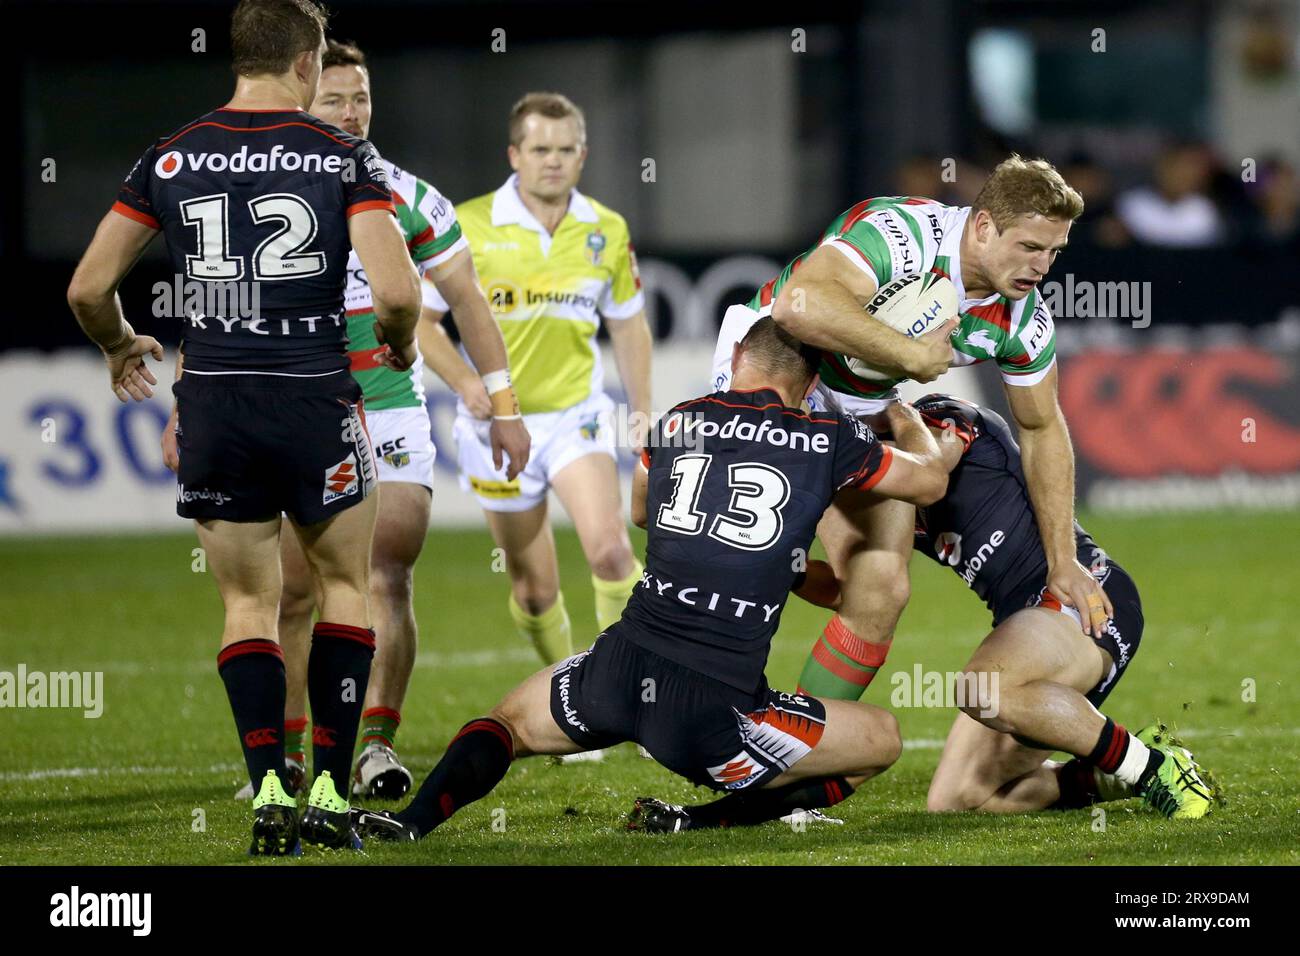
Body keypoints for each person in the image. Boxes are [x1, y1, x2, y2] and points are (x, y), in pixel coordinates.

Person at [67, 0, 442, 853]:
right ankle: (330, 796)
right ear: (307, 63)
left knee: (250, 601)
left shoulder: (168, 154)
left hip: (218, 404)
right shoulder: (342, 154)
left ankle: (268, 784)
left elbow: (88, 289)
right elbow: (395, 294)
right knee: (347, 590)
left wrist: (120, 344)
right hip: (314, 399)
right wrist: (399, 345)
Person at [349, 318, 950, 841]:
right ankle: (702, 821)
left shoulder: (677, 422)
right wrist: (903, 415)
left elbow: (641, 513)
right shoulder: (826, 439)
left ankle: (413, 821)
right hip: (712, 719)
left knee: (506, 724)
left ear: (738, 359)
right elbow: (929, 482)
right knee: (883, 739)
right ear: (812, 383)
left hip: (619, 671)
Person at [167, 39, 530, 803]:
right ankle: (290, 754)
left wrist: (504, 404)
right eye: (334, 99)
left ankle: (372, 747)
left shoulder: (411, 195)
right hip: (299, 408)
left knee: (384, 573)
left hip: (390, 410)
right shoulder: (260, 189)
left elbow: (466, 302)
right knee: (294, 591)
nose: (352, 111)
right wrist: (184, 400)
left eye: (361, 96)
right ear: (302, 99)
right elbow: (214, 304)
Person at [710, 155, 1112, 716]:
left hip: (863, 407)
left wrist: (1062, 559)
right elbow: (798, 307)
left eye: (1054, 251)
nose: (1042, 266)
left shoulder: (1021, 319)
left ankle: (790, 753)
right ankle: (683, 696)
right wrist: (910, 354)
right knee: (731, 556)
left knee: (876, 591)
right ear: (983, 225)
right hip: (773, 371)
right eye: (1028, 247)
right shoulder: (901, 234)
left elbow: (1043, 427)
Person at [789, 394, 1217, 821]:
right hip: (1028, 629)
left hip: (1079, 591)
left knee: (982, 689)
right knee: (960, 797)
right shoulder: (868, 488)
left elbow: (932, 470)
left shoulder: (938, 417)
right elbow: (848, 593)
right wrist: (787, 563)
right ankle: (1117, 773)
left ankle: (1152, 769)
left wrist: (891, 419)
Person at [422, 92, 652, 680]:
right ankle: (570, 693)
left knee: (610, 550)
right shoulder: (466, 224)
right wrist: (467, 382)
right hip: (495, 425)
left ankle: (627, 692)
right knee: (533, 590)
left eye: (565, 149)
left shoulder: (606, 228)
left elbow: (627, 323)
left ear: (583, 155)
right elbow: (420, 323)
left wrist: (643, 410)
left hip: (577, 413)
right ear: (514, 155)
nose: (553, 160)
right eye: (540, 149)